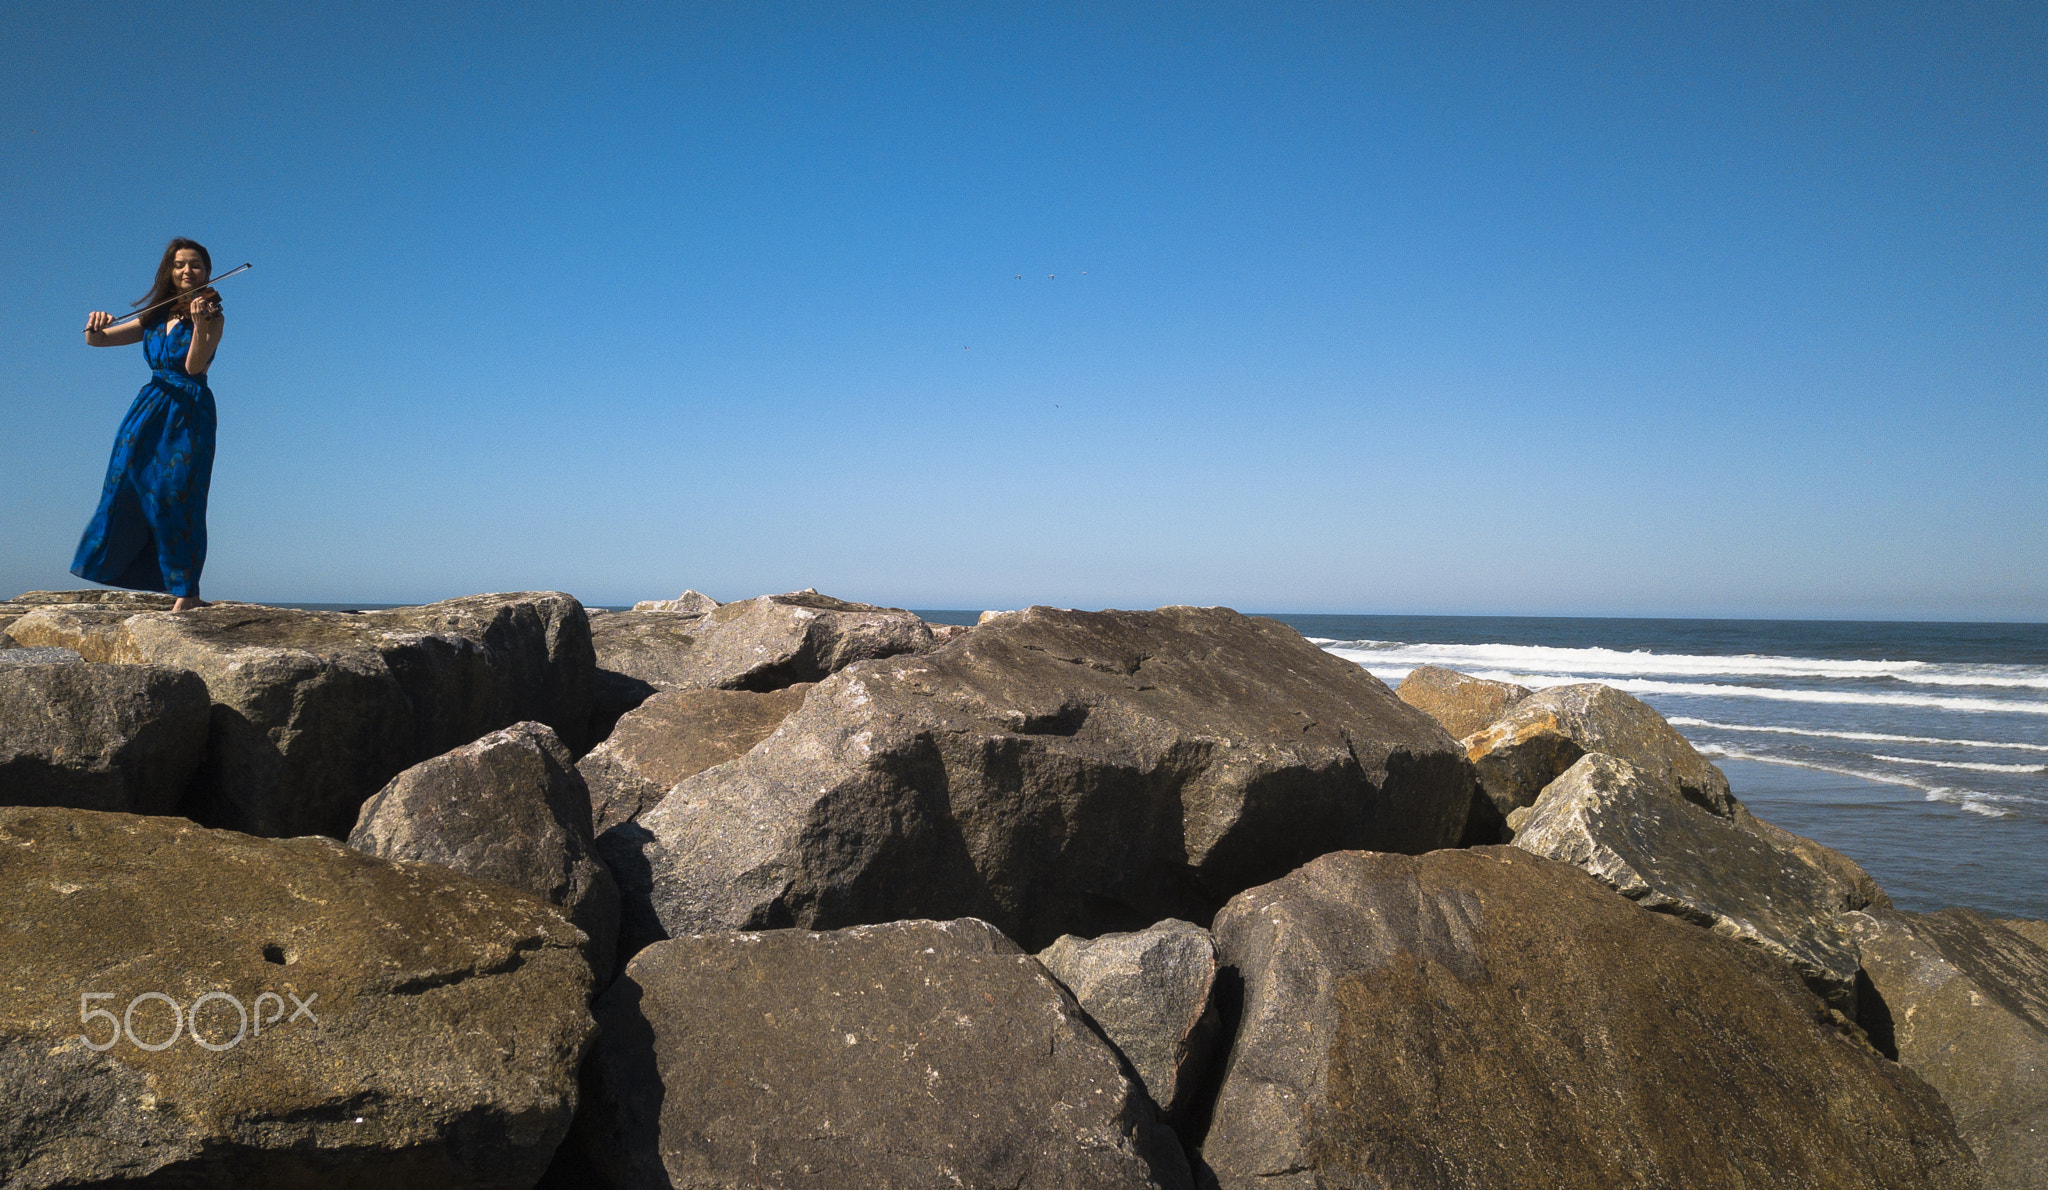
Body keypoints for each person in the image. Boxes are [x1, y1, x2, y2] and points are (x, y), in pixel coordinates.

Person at [74, 238, 225, 612]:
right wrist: (95, 325)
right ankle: (125, 570)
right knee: (124, 486)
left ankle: (187, 592)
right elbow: (97, 342)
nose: (187, 270)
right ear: (169, 272)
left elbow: (193, 367)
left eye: (195, 265)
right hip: (147, 408)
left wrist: (201, 325)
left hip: (188, 408)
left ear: (207, 272)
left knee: (178, 493)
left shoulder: (212, 316)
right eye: (179, 264)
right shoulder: (155, 316)